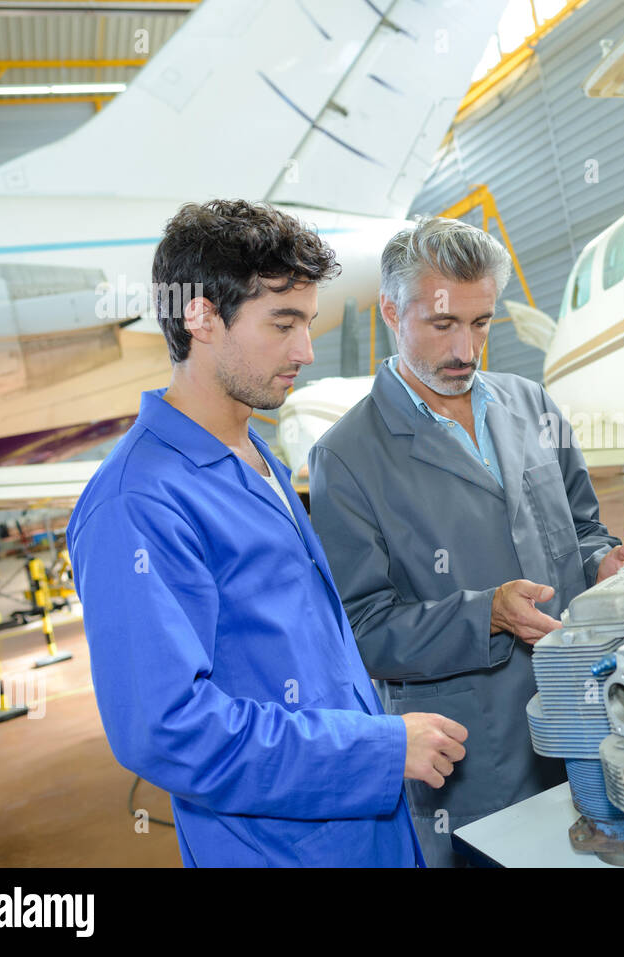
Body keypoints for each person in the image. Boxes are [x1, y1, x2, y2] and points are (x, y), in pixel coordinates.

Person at [67, 200, 467, 867]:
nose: (305, 351)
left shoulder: (256, 454)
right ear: (199, 316)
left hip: (368, 833)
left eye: (306, 323)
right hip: (278, 848)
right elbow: (168, 730)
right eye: (283, 324)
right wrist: (378, 748)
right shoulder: (135, 503)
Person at [308, 216, 624, 867]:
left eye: (481, 322)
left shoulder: (531, 404)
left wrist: (604, 562)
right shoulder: (347, 458)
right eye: (442, 324)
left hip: (586, 721)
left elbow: (582, 525)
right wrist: (482, 613)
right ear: (390, 310)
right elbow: (364, 628)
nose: (466, 347)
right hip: (475, 758)